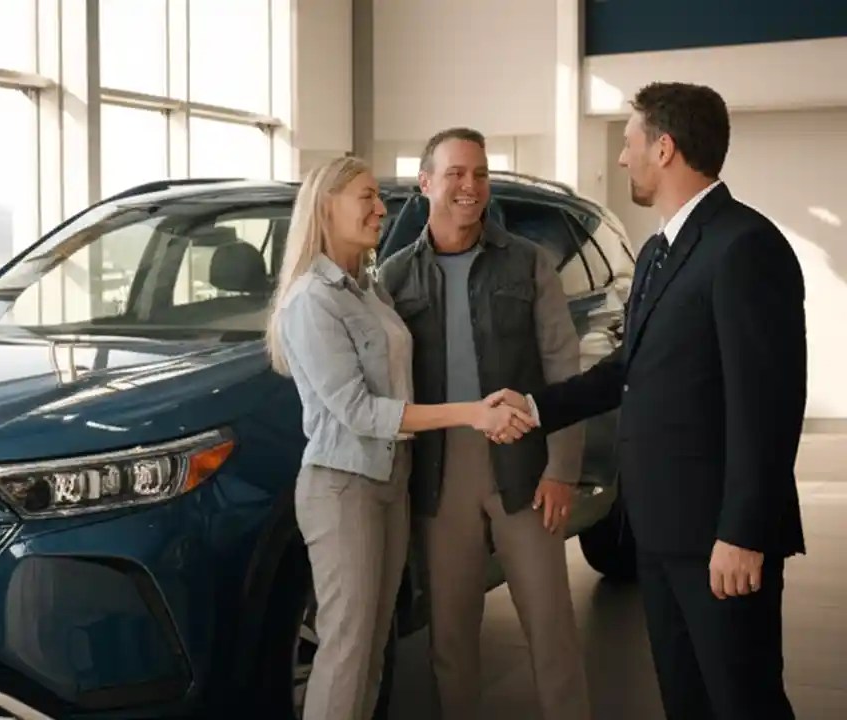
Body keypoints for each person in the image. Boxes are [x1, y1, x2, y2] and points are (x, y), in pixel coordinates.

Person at [492, 82, 807, 720]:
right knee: (686, 701)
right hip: (661, 531)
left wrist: (742, 532)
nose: (622, 157)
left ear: (664, 149)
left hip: (719, 540)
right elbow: (629, 371)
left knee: (744, 703)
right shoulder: (661, 250)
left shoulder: (744, 246)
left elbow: (768, 406)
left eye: (630, 142)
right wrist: (536, 405)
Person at [266, 155, 537, 720]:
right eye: (365, 197)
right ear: (325, 205)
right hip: (344, 489)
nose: (380, 210)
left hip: (388, 482)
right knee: (346, 651)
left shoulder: (367, 289)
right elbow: (360, 412)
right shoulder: (311, 301)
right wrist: (471, 413)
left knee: (371, 653)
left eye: (378, 198)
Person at [375, 128, 592, 720]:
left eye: (479, 174)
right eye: (455, 174)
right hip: (440, 474)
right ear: (426, 184)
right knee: (450, 637)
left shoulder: (528, 262)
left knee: (551, 627)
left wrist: (562, 469)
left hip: (525, 467)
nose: (470, 187)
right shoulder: (393, 278)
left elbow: (562, 367)